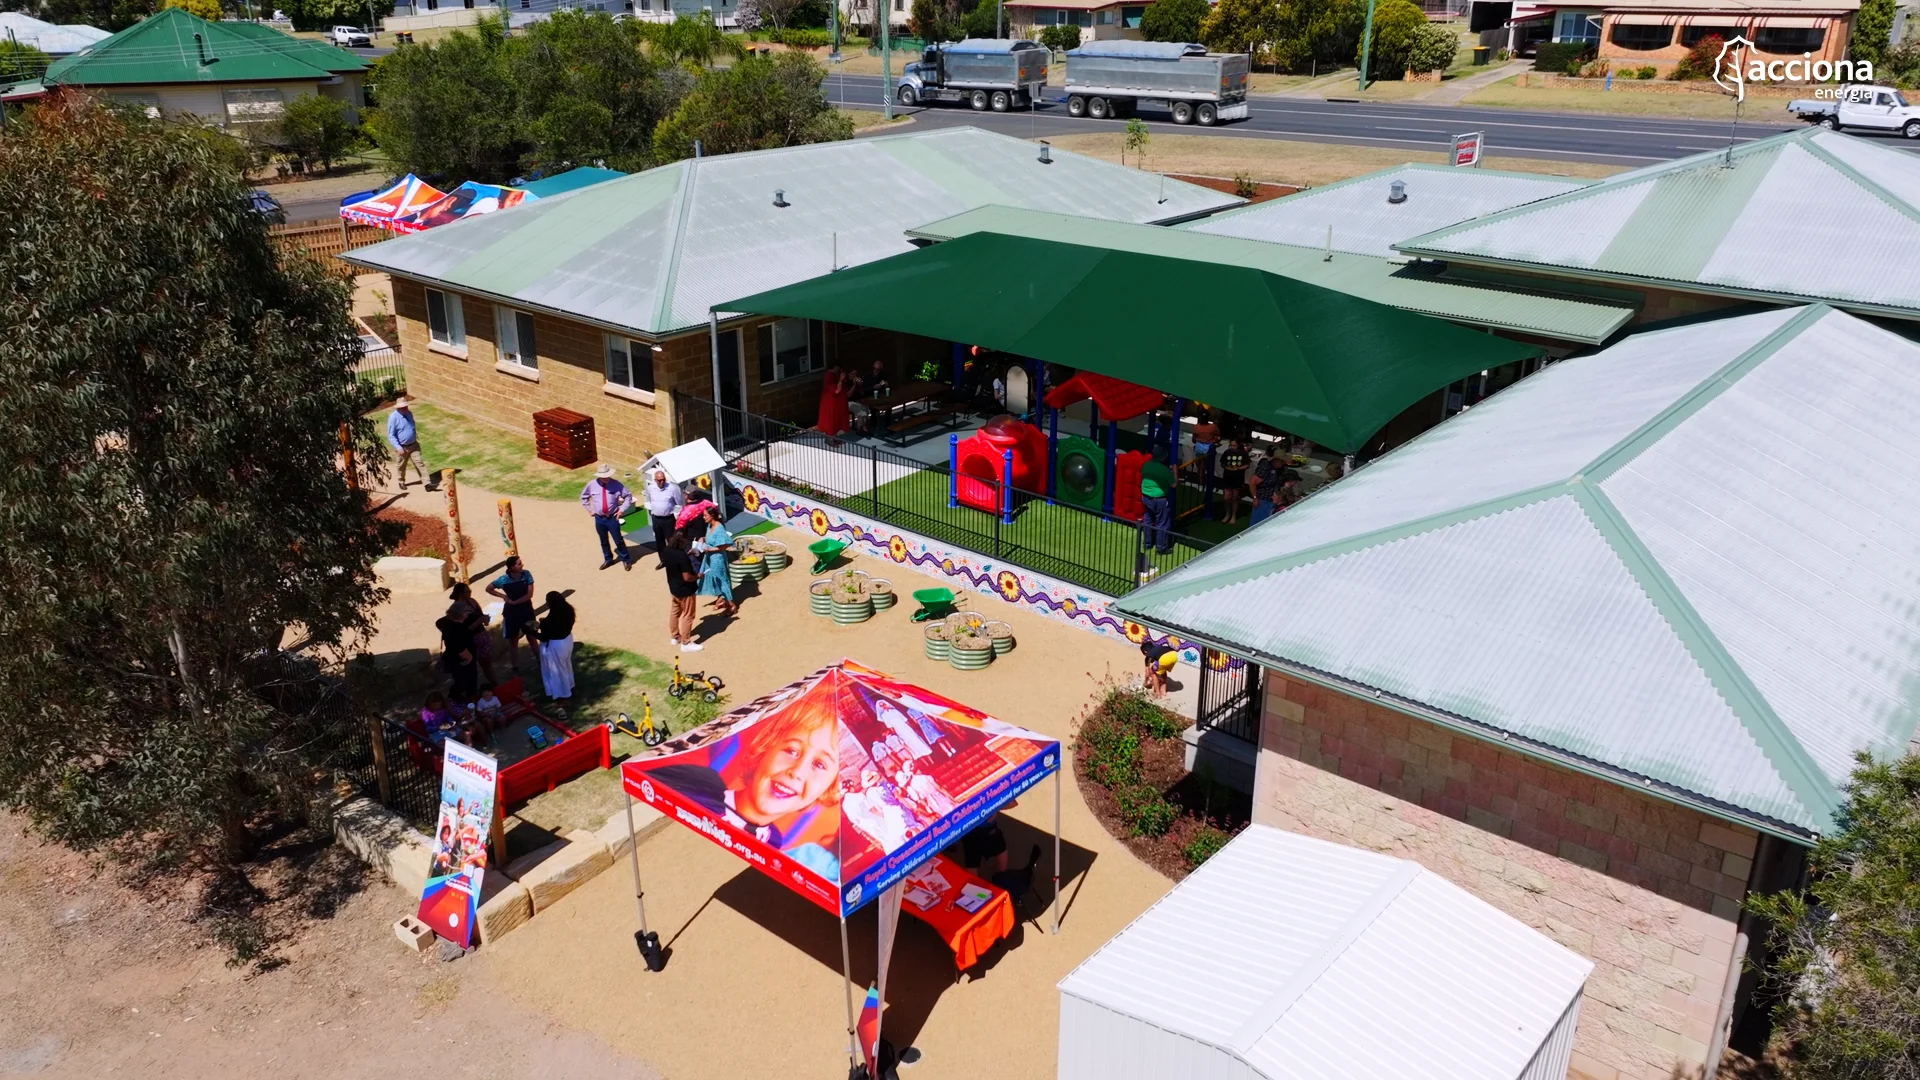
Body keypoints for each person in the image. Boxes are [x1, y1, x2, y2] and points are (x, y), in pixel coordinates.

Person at [642, 701, 843, 874]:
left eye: (819, 764)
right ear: (766, 747)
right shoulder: (697, 787)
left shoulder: (774, 840)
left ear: (827, 790)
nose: (797, 772)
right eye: (791, 750)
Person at [486, 556, 538, 672]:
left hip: (526, 611)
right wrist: (503, 596)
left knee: (532, 637)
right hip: (512, 614)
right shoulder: (504, 579)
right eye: (519, 564)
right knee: (513, 641)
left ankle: (540, 661)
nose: (522, 565)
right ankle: (515, 667)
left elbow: (529, 595)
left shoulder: (526, 574)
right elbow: (489, 588)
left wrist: (514, 602)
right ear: (512, 567)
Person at [580, 463, 635, 571]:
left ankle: (626, 560)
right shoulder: (591, 485)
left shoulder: (616, 484)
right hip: (599, 518)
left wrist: (621, 510)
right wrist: (590, 510)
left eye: (607, 476)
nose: (605, 478)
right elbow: (583, 497)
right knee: (603, 540)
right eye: (603, 476)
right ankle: (608, 559)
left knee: (618, 540)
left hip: (612, 518)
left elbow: (628, 496)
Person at [446, 582, 497, 687]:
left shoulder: (472, 602)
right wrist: (478, 622)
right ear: (460, 594)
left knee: (487, 664)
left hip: (482, 636)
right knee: (472, 667)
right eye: (467, 591)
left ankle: (495, 684)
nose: (470, 593)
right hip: (471, 640)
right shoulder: (455, 609)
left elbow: (480, 614)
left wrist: (485, 619)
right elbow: (461, 629)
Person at [692, 504, 737, 616]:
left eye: (705, 515)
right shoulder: (709, 526)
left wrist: (710, 549)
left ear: (712, 516)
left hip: (717, 559)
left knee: (722, 581)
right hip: (710, 558)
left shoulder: (719, 528)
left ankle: (731, 605)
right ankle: (722, 598)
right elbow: (710, 538)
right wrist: (703, 539)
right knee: (715, 579)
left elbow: (724, 545)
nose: (704, 517)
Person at [661, 531, 703, 651]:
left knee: (675, 612)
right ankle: (686, 643)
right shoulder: (682, 556)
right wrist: (698, 576)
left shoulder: (667, 551)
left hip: (673, 587)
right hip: (685, 590)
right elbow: (687, 577)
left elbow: (676, 563)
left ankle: (675, 637)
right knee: (688, 615)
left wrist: (687, 554)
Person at [386, 396, 438, 492]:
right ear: (398, 408)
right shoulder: (393, 418)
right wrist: (398, 447)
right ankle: (401, 481)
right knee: (401, 465)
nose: (406, 408)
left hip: (413, 445)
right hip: (402, 447)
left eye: (406, 406)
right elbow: (391, 435)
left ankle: (427, 484)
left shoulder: (409, 414)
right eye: (403, 407)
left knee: (419, 463)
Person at [536, 591, 576, 707]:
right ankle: (570, 687)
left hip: (556, 645)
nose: (546, 603)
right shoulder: (567, 610)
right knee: (566, 666)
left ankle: (563, 697)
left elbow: (544, 636)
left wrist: (532, 632)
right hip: (567, 641)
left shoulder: (554, 617)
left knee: (557, 671)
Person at [640, 469, 685, 567]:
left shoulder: (672, 488)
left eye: (663, 479)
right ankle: (663, 560)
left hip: (668, 519)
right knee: (659, 541)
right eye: (659, 480)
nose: (661, 482)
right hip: (656, 519)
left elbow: (678, 501)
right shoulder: (651, 488)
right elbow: (649, 498)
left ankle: (674, 561)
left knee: (671, 541)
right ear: (655, 480)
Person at [436, 614, 478, 702]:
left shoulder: (454, 626)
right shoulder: (452, 629)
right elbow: (459, 648)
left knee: (469, 678)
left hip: (462, 657)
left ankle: (469, 696)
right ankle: (455, 698)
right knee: (462, 680)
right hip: (458, 659)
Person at [1139, 467, 1173, 560]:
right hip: (1159, 499)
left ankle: (1147, 544)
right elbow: (1174, 484)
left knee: (1148, 520)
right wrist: (1175, 470)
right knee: (1163, 523)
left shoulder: (1147, 466)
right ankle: (1161, 548)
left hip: (1146, 496)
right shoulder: (1164, 470)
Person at [1218, 437, 1250, 524]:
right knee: (1226, 498)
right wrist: (1226, 467)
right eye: (1231, 445)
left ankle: (1233, 516)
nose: (1232, 447)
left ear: (1238, 445)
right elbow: (1222, 463)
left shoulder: (1243, 453)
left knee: (1235, 498)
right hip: (1227, 476)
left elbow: (1247, 465)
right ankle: (1227, 514)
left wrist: (1238, 468)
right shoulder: (1227, 452)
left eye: (1234, 446)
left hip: (1237, 477)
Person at [817, 368, 852, 438]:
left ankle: (835, 438)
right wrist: (841, 380)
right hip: (833, 405)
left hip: (839, 405)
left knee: (837, 423)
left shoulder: (836, 377)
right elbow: (836, 390)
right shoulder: (829, 379)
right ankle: (830, 439)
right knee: (832, 423)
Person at [1248, 449, 1281, 526]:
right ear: (1276, 460)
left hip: (1272, 500)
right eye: (1282, 461)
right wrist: (1255, 498)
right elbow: (1252, 482)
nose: (1283, 463)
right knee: (1257, 523)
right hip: (1262, 499)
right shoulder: (1265, 467)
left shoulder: (1279, 469)